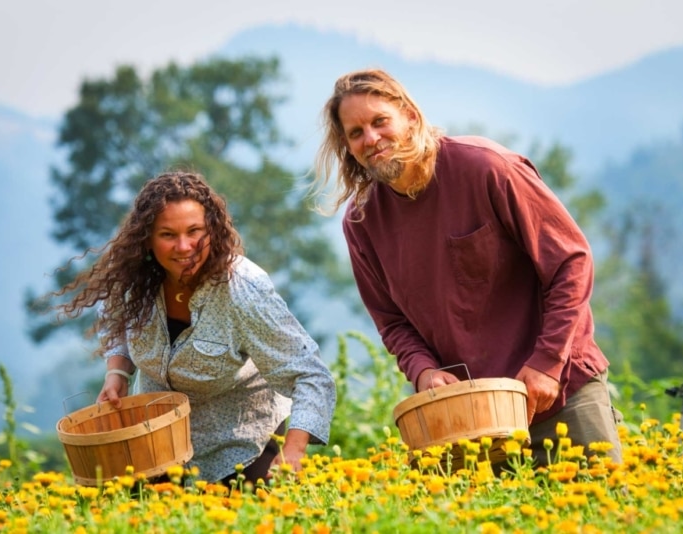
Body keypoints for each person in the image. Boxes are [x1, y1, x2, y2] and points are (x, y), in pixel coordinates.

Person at [310, 68, 622, 466]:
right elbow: (392, 323)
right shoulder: (362, 222)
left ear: (409, 115)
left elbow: (571, 262)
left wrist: (546, 362)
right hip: (467, 419)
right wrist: (423, 371)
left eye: (379, 121)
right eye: (355, 133)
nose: (371, 139)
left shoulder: (486, 168)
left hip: (559, 393)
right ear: (347, 146)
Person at [53, 171, 336, 484]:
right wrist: (117, 372)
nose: (184, 246)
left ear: (212, 230)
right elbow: (121, 323)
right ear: (147, 238)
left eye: (194, 231)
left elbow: (310, 374)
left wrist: (293, 452)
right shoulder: (134, 279)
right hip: (156, 443)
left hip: (240, 446)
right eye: (168, 235)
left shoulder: (243, 290)